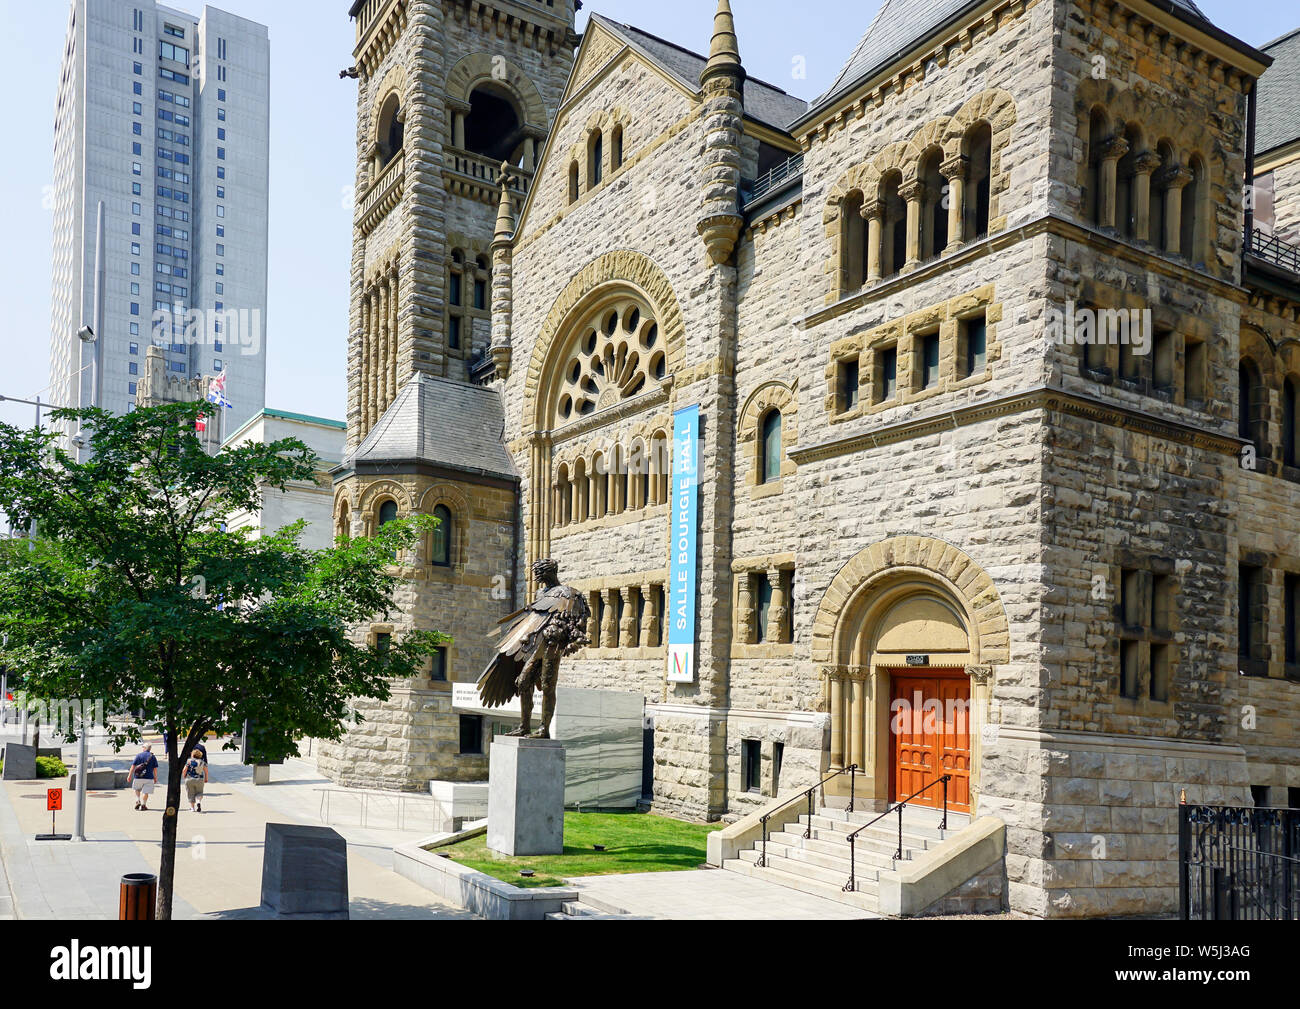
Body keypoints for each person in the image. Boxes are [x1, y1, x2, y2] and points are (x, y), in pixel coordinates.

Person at [128, 743, 158, 811]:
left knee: (137, 789)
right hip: (149, 777)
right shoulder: (152, 757)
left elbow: (133, 766)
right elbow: (155, 768)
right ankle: (143, 805)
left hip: (138, 777)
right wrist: (155, 777)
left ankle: (138, 800)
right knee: (146, 792)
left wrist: (129, 775)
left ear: (145, 748)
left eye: (143, 747)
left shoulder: (138, 755)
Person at [183, 747, 209, 813]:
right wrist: (206, 778)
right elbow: (206, 771)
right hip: (199, 779)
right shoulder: (202, 762)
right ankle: (198, 802)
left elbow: (184, 770)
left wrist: (184, 776)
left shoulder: (189, 761)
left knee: (190, 793)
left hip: (189, 779)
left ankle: (192, 808)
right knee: (199, 792)